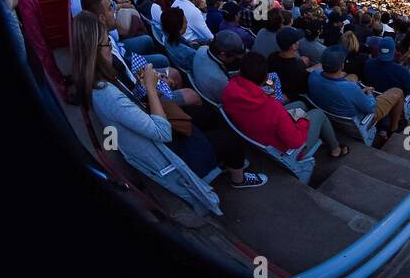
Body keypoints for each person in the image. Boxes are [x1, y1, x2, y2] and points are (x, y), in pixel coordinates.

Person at [69, 12, 265, 198]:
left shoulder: (105, 79)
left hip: (162, 128)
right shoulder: (108, 96)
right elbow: (162, 132)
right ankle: (238, 179)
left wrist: (147, 83)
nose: (111, 49)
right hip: (172, 152)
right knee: (231, 139)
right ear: (94, 50)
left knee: (208, 115)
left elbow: (136, 102)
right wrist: (151, 88)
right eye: (106, 44)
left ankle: (228, 158)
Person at [221, 52, 348, 160]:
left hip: (258, 127)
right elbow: (295, 142)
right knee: (318, 114)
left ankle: (319, 132)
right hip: (286, 149)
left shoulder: (229, 89)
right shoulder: (272, 107)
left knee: (300, 104)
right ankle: (335, 148)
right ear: (264, 78)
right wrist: (303, 120)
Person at [307, 46, 404, 133]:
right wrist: (369, 93)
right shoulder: (351, 88)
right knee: (397, 91)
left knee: (353, 76)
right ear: (342, 65)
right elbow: (371, 108)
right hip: (359, 121)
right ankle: (394, 128)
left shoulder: (313, 76)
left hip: (331, 113)